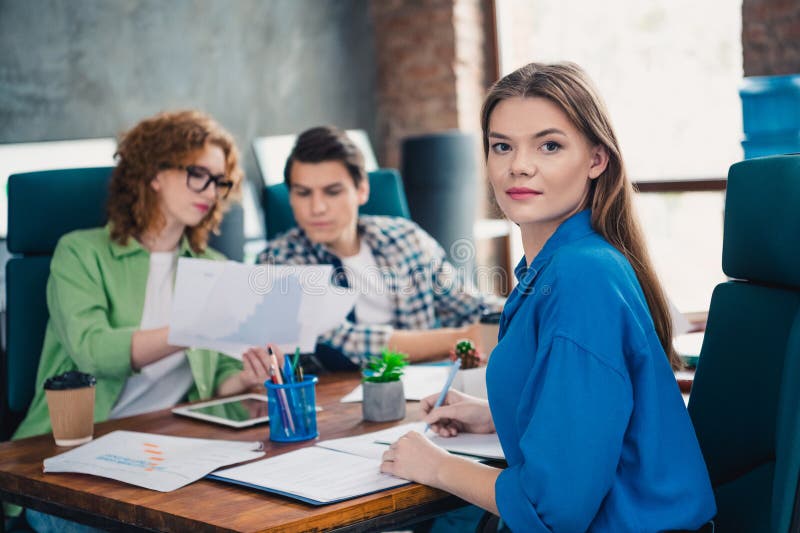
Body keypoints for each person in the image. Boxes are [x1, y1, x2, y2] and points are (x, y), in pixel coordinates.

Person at [379, 62, 717, 532]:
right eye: (502, 146)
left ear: (597, 160)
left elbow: (553, 509)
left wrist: (436, 465)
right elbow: (594, 415)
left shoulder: (581, 278)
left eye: (549, 145)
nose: (518, 165)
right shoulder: (559, 266)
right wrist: (497, 416)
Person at [14, 110, 274, 443]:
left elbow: (216, 376)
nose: (211, 193)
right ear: (154, 174)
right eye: (198, 175)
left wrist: (245, 378)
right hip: (73, 440)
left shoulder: (213, 266)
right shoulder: (80, 252)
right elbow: (92, 350)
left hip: (171, 438)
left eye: (219, 182)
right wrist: (193, 328)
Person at [258, 126, 493, 368]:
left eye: (332, 192)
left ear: (362, 190)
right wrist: (462, 338)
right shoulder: (278, 261)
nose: (317, 207)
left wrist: (514, 313)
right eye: (303, 193)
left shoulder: (405, 238)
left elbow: (471, 306)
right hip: (342, 390)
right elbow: (346, 343)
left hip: (431, 383)